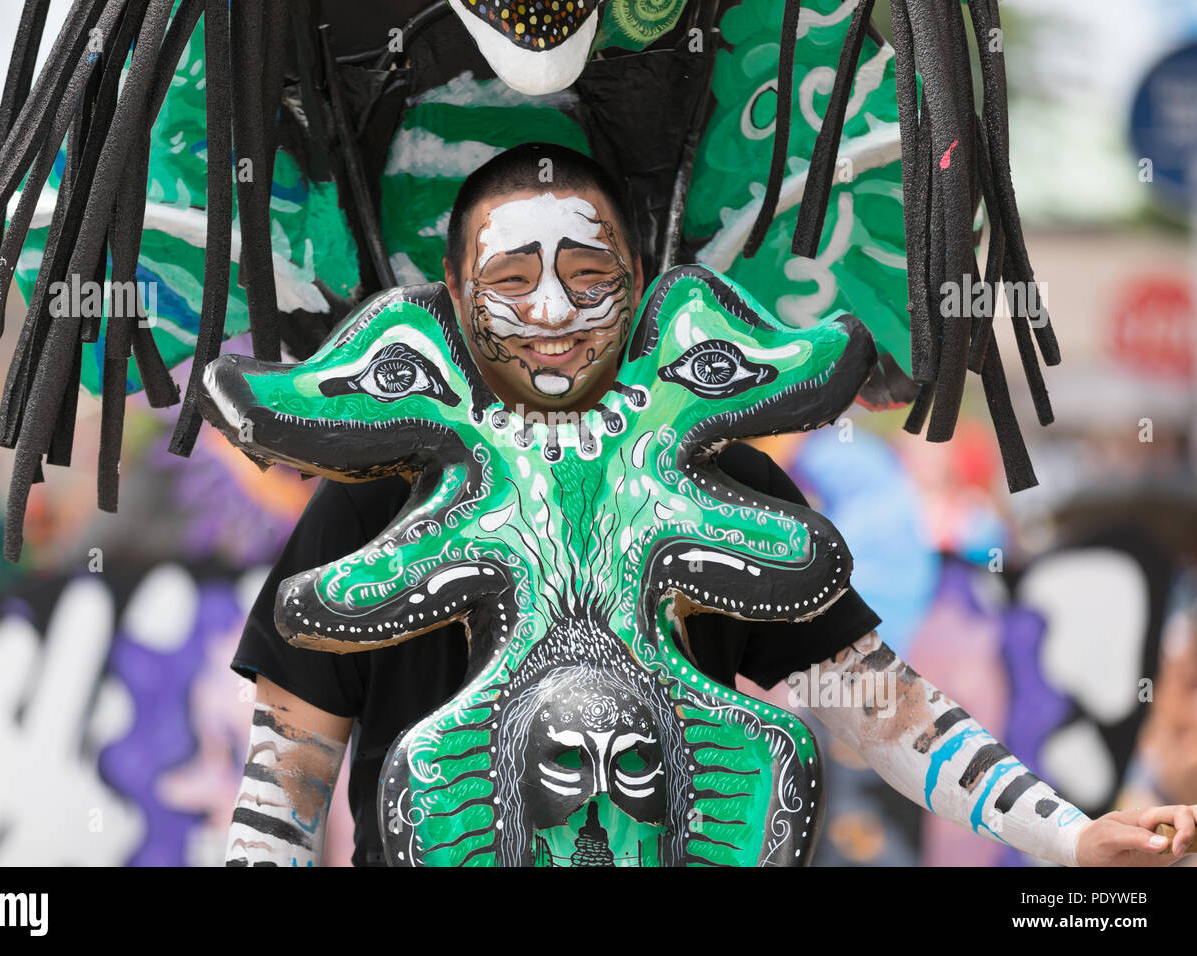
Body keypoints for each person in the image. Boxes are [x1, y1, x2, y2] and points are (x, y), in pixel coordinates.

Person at [224, 143, 1197, 868]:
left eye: (588, 275)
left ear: (640, 282)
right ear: (450, 291)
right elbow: (289, 771)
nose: (554, 313)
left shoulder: (723, 481)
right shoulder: (368, 503)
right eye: (512, 280)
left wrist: (1068, 836)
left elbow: (879, 710)